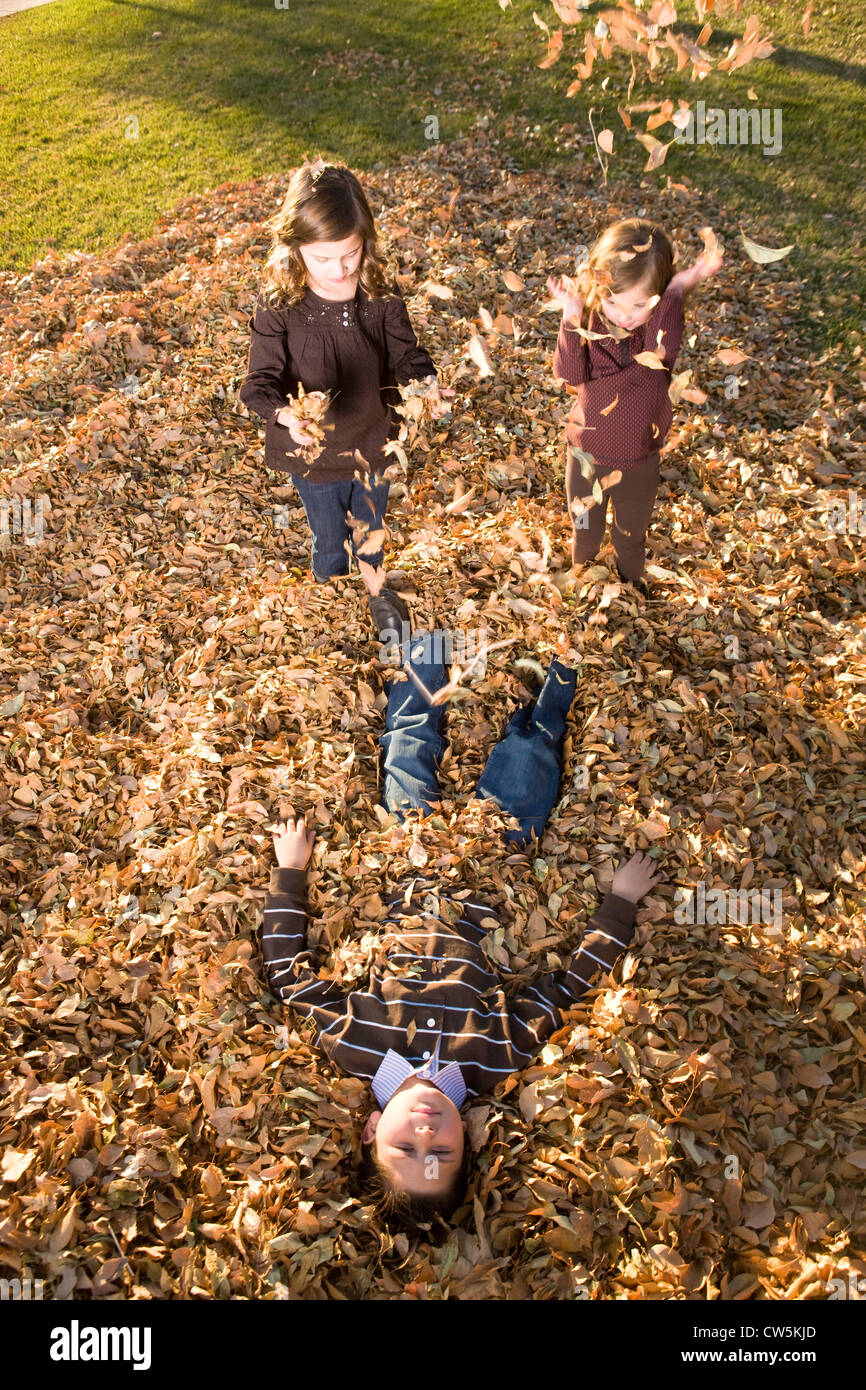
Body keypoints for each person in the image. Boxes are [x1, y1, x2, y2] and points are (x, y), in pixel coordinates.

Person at [259, 618, 663, 1228]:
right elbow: (570, 988)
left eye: (405, 1147)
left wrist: (289, 873)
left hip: (408, 855)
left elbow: (289, 974)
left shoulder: (354, 1046)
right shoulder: (497, 1059)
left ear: (372, 1129)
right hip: (492, 867)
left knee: (406, 745)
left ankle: (426, 650)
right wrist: (621, 905)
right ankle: (560, 665)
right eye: (440, 1152)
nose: (425, 1132)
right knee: (527, 763)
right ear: (468, 1140)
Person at [238, 159, 450, 616]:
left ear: (366, 243)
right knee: (330, 536)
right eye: (322, 259)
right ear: (294, 250)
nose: (338, 270)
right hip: (314, 454)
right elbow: (258, 382)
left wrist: (426, 386)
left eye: (350, 254)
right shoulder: (281, 305)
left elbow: (406, 355)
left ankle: (377, 596)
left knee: (371, 526)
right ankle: (330, 599)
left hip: (373, 439)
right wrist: (286, 416)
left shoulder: (378, 292)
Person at [548, 218, 723, 585]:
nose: (624, 315)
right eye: (613, 301)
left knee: (629, 540)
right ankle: (581, 585)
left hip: (637, 464)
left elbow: (664, 326)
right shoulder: (591, 322)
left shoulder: (656, 345)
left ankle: (630, 593)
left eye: (640, 305)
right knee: (586, 533)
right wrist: (571, 312)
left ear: (659, 301)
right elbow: (569, 374)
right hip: (585, 459)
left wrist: (679, 286)